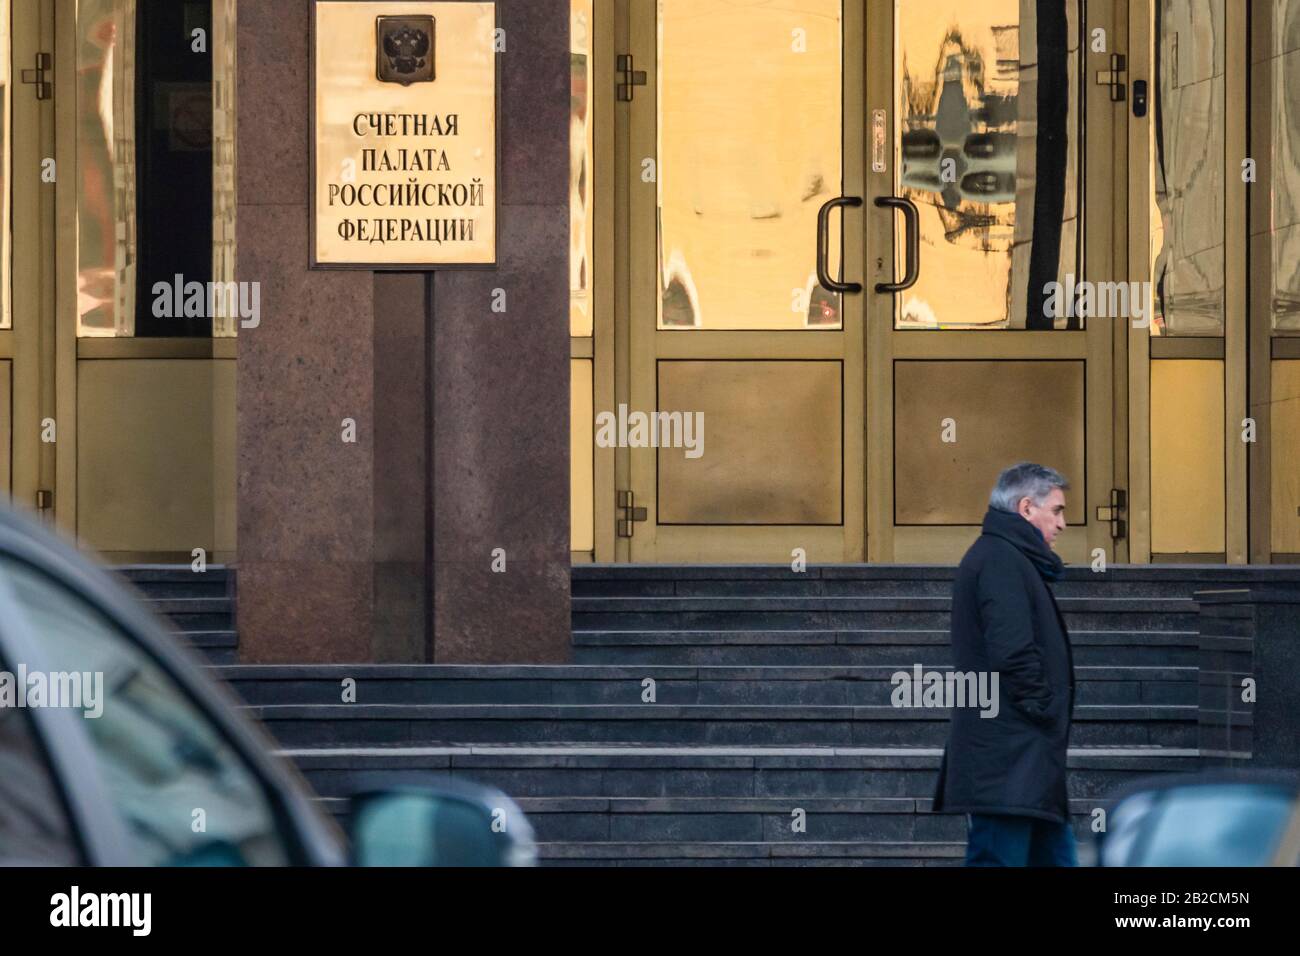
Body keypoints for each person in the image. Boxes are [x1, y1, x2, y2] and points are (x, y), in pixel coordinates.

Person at [932, 462, 1077, 866]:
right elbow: (1012, 650)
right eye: (1058, 511)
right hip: (1007, 759)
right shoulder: (1000, 559)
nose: (1063, 524)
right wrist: (1044, 709)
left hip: (1024, 760)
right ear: (1027, 508)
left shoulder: (1009, 558)